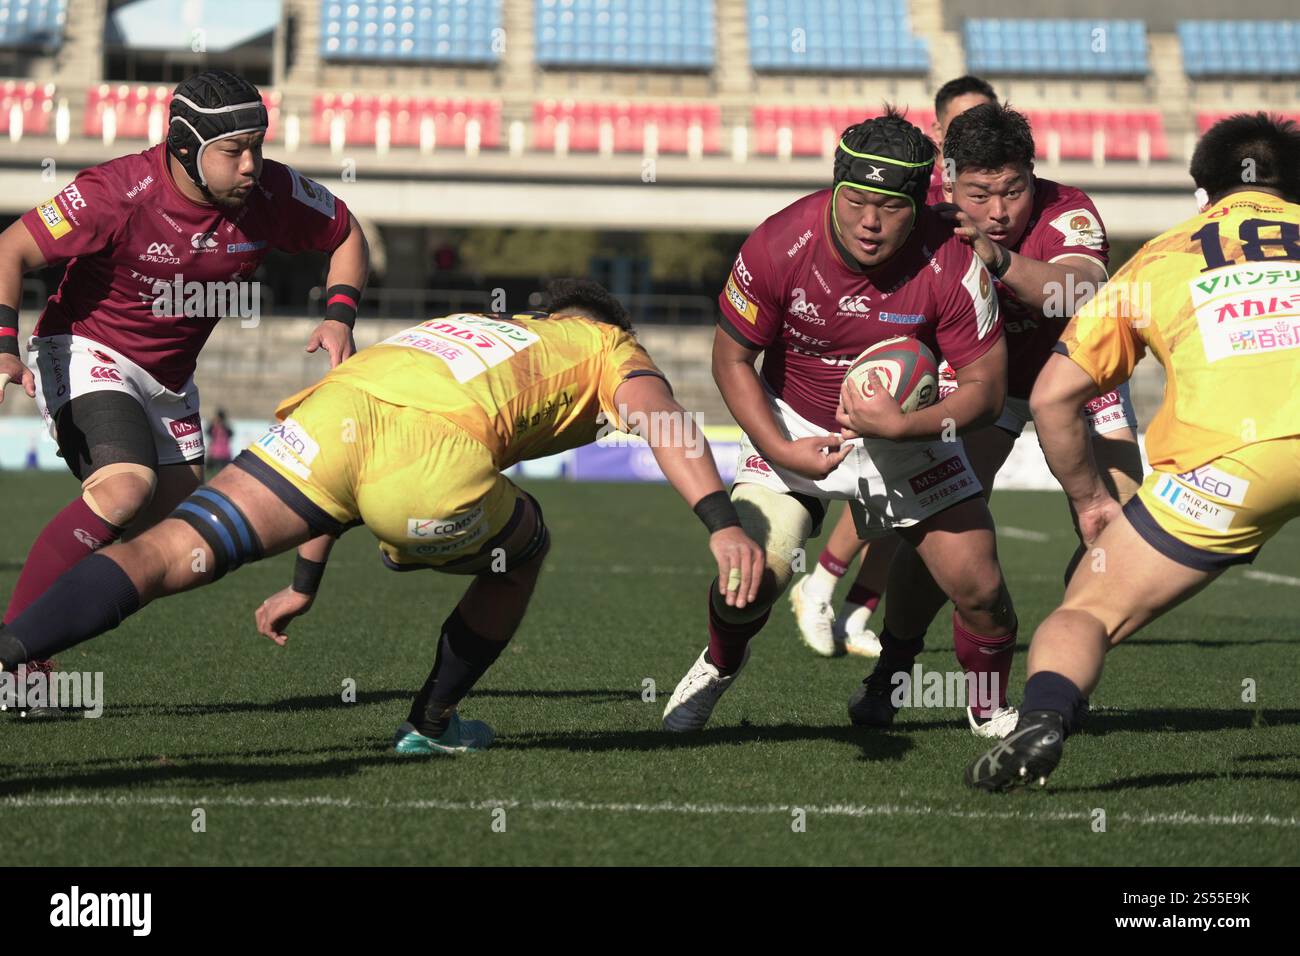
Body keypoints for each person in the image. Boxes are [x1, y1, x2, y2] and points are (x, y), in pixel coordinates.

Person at [0, 280, 765, 754]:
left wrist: (305, 577)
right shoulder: (604, 345)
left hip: (339, 414)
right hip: (423, 472)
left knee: (165, 551)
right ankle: (431, 723)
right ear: (603, 322)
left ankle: (12, 648)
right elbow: (663, 419)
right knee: (525, 544)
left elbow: (370, 436)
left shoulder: (475, 328)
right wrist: (720, 522)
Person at [662, 108, 1022, 739]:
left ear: (920, 204)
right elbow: (732, 358)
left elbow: (987, 392)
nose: (869, 222)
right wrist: (780, 446)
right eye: (854, 200)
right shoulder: (779, 242)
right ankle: (718, 664)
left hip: (908, 436)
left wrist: (906, 428)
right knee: (748, 579)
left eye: (890, 207)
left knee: (982, 591)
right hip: (795, 421)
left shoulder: (954, 262)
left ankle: (987, 708)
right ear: (834, 190)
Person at [967, 113, 1300, 790]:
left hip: (1232, 463)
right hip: (1238, 454)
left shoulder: (1158, 258)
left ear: (1200, 194)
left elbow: (1055, 398)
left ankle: (1042, 722)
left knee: (1086, 608)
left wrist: (1092, 501)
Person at [0, 69, 369, 663]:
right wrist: (4, 343)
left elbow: (346, 232)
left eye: (257, 146)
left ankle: (34, 637)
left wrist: (339, 316)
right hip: (86, 349)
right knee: (124, 490)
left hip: (171, 380)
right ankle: (16, 656)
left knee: (183, 536)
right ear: (183, 148)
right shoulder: (115, 192)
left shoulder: (270, 193)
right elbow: (10, 246)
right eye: (233, 151)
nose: (250, 165)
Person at [793, 103, 1142, 668]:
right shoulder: (923, 211)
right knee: (949, 520)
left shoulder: (1068, 209)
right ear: (949, 179)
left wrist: (998, 259)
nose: (999, 211)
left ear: (1033, 174)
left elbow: (1083, 294)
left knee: (1120, 531)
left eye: (1013, 190)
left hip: (1078, 375)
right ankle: (894, 663)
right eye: (980, 195)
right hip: (987, 385)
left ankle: (1067, 668)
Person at [791, 76, 998, 658]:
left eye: (984, 122)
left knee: (921, 500)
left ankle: (854, 607)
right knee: (907, 485)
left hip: (988, 356)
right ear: (937, 136)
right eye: (960, 127)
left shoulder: (1002, 189)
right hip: (930, 358)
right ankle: (828, 587)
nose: (973, 137)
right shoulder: (912, 197)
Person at [207, 409, 234, 475]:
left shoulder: (218, 426)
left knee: (211, 473)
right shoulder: (225, 426)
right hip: (223, 453)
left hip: (217, 453)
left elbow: (208, 433)